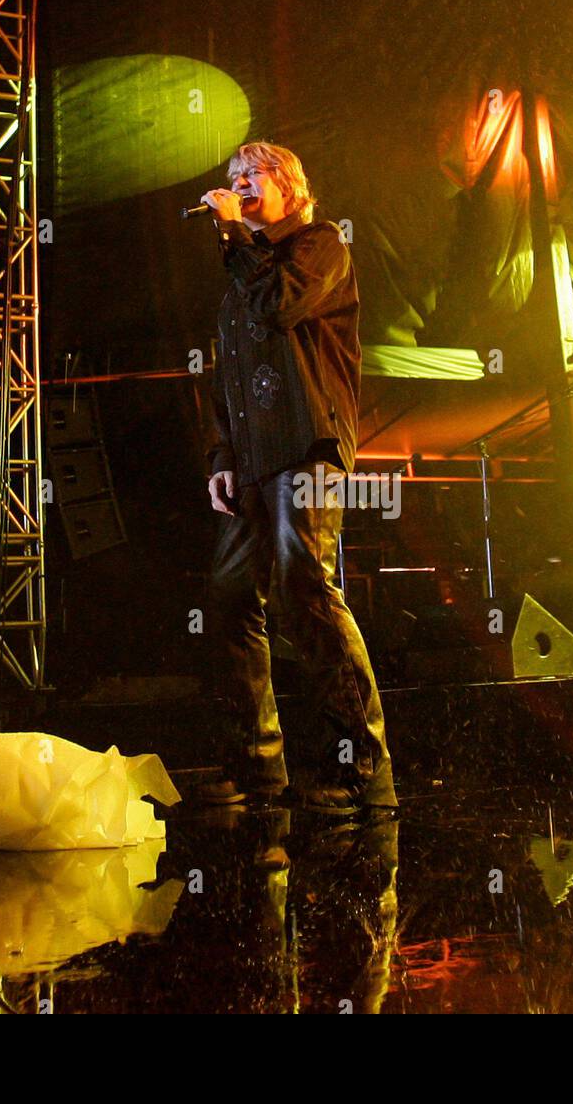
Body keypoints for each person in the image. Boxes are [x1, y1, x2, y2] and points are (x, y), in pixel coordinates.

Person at [199, 142, 396, 814]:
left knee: (305, 586)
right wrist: (221, 460)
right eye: (230, 180)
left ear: (289, 186)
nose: (237, 187)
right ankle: (257, 767)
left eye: (250, 177)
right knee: (229, 597)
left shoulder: (321, 246)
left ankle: (362, 767)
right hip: (253, 460)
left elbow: (279, 307)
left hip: (306, 448)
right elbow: (225, 376)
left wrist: (232, 232)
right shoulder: (241, 270)